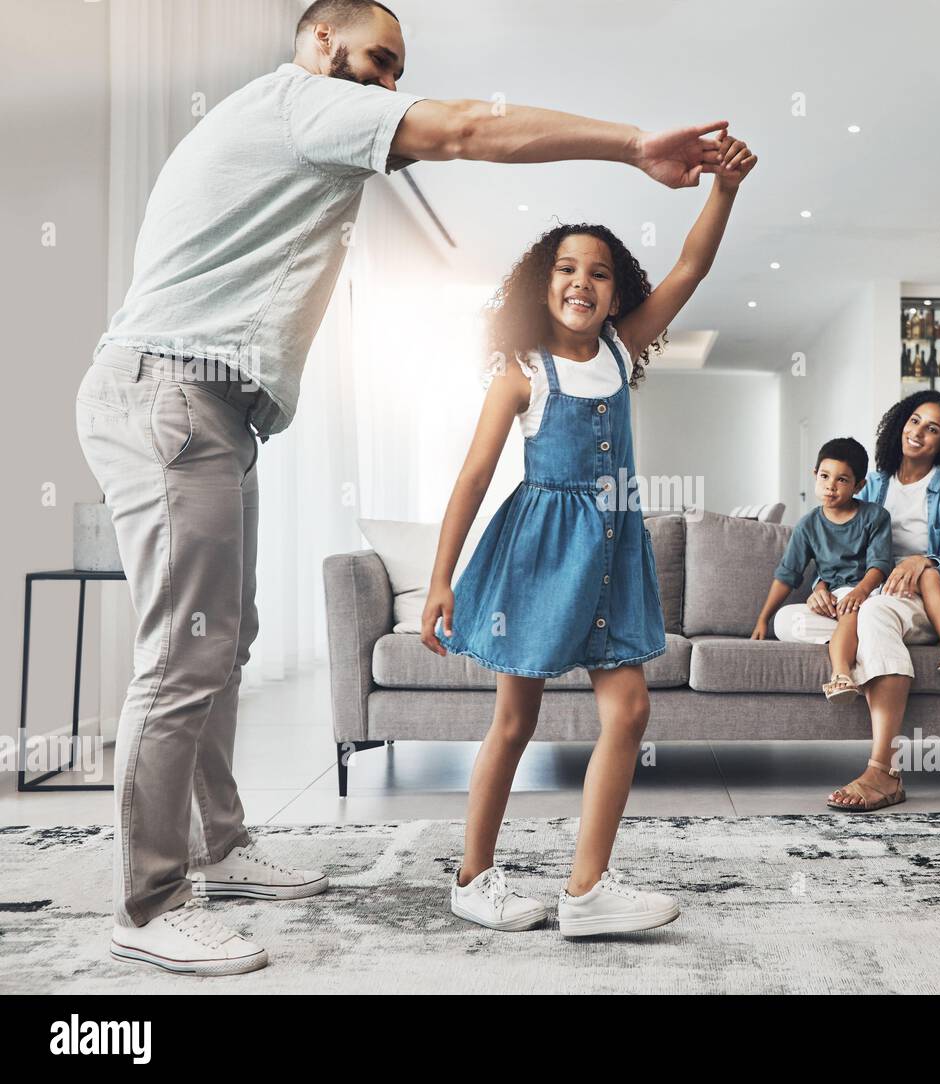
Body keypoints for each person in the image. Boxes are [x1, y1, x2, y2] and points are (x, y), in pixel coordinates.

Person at [77, 0, 733, 976]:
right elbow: (466, 127)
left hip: (214, 408)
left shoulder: (303, 136)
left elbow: (682, 274)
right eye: (379, 60)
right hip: (170, 392)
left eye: (398, 72)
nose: (389, 85)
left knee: (222, 641)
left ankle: (217, 846)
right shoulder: (304, 102)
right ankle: (147, 901)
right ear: (320, 39)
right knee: (182, 655)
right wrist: (633, 145)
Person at [421, 132, 757, 937]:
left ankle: (586, 890)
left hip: (611, 552)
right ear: (542, 285)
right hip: (540, 555)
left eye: (600, 272)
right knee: (515, 722)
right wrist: (440, 579)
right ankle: (472, 877)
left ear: (616, 293)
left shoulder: (619, 346)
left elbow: (690, 268)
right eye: (567, 268)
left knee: (630, 711)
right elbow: (472, 479)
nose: (582, 281)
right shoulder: (521, 373)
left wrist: (724, 190)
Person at [772, 390, 940, 812]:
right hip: (873, 596)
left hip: (931, 597)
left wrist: (923, 562)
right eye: (914, 420)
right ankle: (871, 639)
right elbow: (840, 549)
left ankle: (883, 771)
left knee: (872, 612)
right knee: (790, 621)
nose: (918, 432)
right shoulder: (872, 484)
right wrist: (820, 586)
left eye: (932, 429)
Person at [749, 438, 893, 702]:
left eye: (842, 480)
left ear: (859, 486)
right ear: (815, 474)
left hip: (869, 595)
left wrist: (859, 593)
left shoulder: (875, 516)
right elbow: (787, 574)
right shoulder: (808, 525)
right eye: (825, 476)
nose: (830, 485)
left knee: (851, 609)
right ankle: (857, 639)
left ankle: (841, 674)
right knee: (784, 621)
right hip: (834, 602)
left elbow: (880, 564)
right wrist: (762, 619)